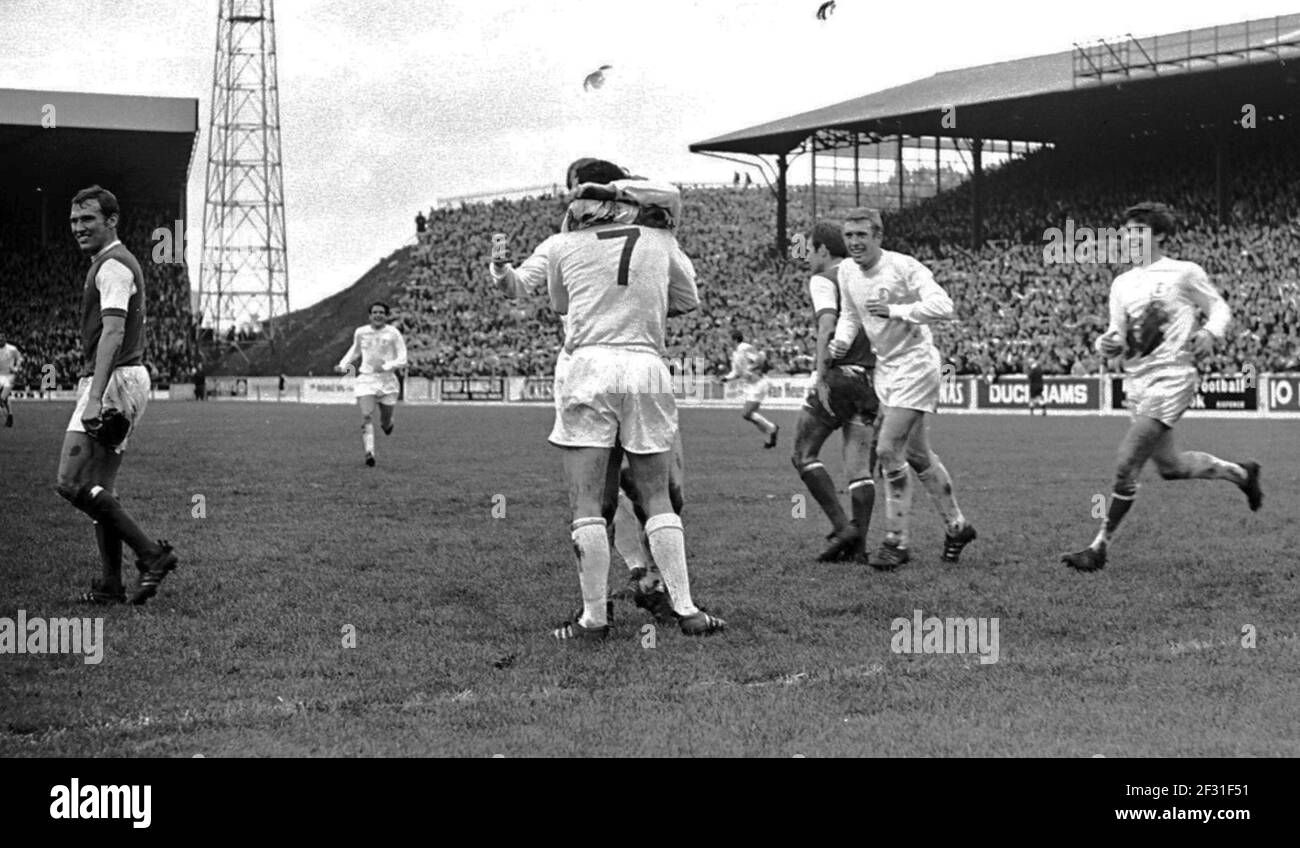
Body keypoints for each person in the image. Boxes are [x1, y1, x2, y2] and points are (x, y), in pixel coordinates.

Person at [500, 157, 723, 640]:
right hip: (645, 366)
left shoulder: (562, 243)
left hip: (587, 367)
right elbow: (688, 299)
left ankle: (594, 620)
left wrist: (506, 270)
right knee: (659, 494)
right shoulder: (660, 238)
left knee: (589, 501)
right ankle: (687, 610)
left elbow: (549, 300)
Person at [1061, 203, 1262, 572]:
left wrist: (1209, 333)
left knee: (1125, 465)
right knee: (1170, 467)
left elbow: (1218, 307)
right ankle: (1243, 474)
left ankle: (1098, 547)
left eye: (1138, 231)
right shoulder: (1121, 283)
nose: (1127, 237)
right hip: (1136, 381)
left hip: (1172, 376)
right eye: (1125, 232)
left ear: (1160, 237)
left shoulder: (1184, 272)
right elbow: (1116, 334)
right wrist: (1103, 344)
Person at [829, 207, 977, 570]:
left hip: (917, 364)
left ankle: (897, 541)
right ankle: (957, 527)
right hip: (887, 369)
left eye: (862, 235)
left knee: (887, 449)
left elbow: (944, 306)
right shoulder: (846, 271)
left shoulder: (903, 266)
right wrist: (840, 341)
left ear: (879, 236)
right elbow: (851, 314)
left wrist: (896, 310)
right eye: (849, 236)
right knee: (918, 455)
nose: (854, 242)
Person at [54, 185, 177, 605]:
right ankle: (111, 584)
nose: (78, 227)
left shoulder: (112, 267)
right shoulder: (114, 263)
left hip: (113, 381)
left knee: (71, 483)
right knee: (101, 488)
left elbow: (113, 330)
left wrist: (93, 396)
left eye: (87, 219)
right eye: (74, 220)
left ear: (112, 220)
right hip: (125, 378)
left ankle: (151, 554)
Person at [794, 221, 878, 562]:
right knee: (860, 470)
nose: (808, 258)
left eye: (809, 250)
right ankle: (858, 548)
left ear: (823, 251)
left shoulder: (824, 278)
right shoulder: (865, 274)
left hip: (840, 376)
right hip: (871, 378)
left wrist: (820, 374)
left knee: (803, 455)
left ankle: (843, 527)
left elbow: (827, 325)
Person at [336, 302, 408, 467]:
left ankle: (388, 423)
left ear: (386, 315)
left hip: (387, 381)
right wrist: (343, 364)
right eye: (375, 312)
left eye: (381, 312)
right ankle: (369, 452)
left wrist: (386, 366)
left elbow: (403, 358)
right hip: (367, 380)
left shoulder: (393, 333)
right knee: (366, 415)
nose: (378, 315)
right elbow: (355, 350)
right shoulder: (361, 332)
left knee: (385, 422)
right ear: (370, 316)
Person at [722, 329, 779, 448]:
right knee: (749, 414)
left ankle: (772, 429)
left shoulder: (744, 347)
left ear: (735, 339)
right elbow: (736, 372)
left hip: (759, 382)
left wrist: (752, 369)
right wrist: (726, 379)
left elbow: (760, 359)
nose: (726, 341)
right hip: (752, 384)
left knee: (747, 413)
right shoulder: (735, 353)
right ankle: (770, 434)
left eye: (729, 338)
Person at [0, 330, 22, 427]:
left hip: (9, 376)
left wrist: (16, 368)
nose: (1, 340)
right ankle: (10, 416)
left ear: (5, 338)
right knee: (5, 399)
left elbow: (20, 359)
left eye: (2, 338)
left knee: (2, 398)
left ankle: (8, 417)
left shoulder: (12, 349)